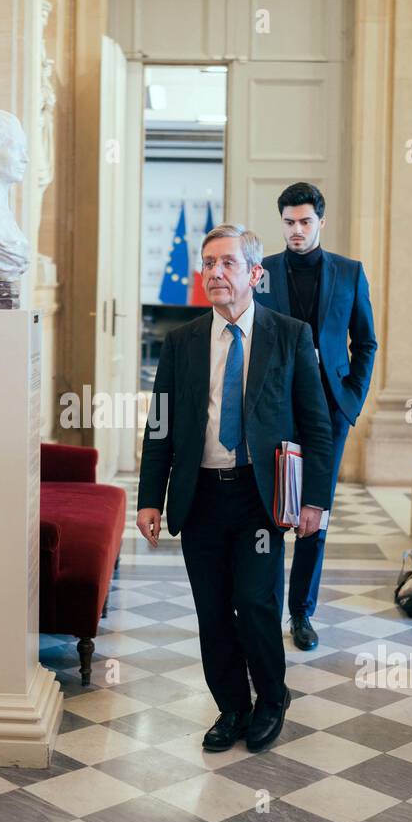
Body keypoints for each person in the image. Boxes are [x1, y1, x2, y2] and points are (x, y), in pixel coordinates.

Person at [136, 224, 334, 753]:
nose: (215, 273)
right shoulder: (181, 342)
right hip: (200, 496)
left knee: (256, 600)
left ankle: (272, 698)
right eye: (208, 264)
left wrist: (315, 499)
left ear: (255, 274)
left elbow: (317, 425)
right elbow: (159, 425)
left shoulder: (290, 336)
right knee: (213, 607)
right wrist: (150, 497)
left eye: (227, 263)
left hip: (257, 496)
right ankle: (231, 707)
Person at [254, 182, 376, 650]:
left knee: (314, 511)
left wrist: (351, 399)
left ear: (321, 222)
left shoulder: (349, 273)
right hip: (275, 408)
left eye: (305, 222)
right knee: (271, 506)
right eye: (289, 222)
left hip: (329, 408)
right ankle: (264, 607)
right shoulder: (261, 273)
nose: (297, 230)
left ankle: (301, 613)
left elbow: (365, 342)